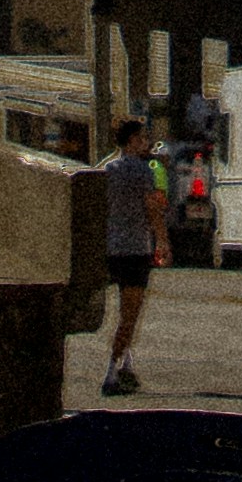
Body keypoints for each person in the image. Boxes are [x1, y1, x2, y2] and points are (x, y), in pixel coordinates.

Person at [97, 116, 161, 397]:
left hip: (112, 248)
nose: (147, 143)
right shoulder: (143, 170)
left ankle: (127, 364)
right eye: (143, 138)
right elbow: (153, 210)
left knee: (126, 311)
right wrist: (164, 242)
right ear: (133, 141)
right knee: (130, 315)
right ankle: (112, 370)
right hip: (136, 248)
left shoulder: (106, 169)